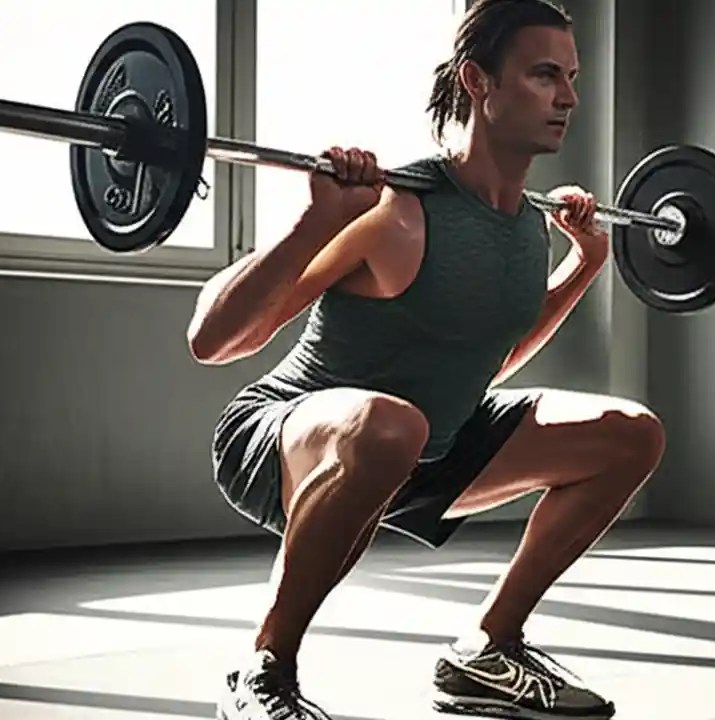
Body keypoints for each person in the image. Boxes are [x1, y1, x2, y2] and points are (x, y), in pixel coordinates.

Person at [187, 1, 665, 718]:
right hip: (285, 437)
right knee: (393, 426)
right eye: (544, 75)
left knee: (631, 433)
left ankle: (488, 651)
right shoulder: (397, 208)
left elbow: (484, 358)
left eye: (572, 77)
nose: (568, 96)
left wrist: (585, 263)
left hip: (423, 446)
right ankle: (263, 672)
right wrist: (319, 218)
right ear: (479, 81)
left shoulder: (527, 228)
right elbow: (214, 339)